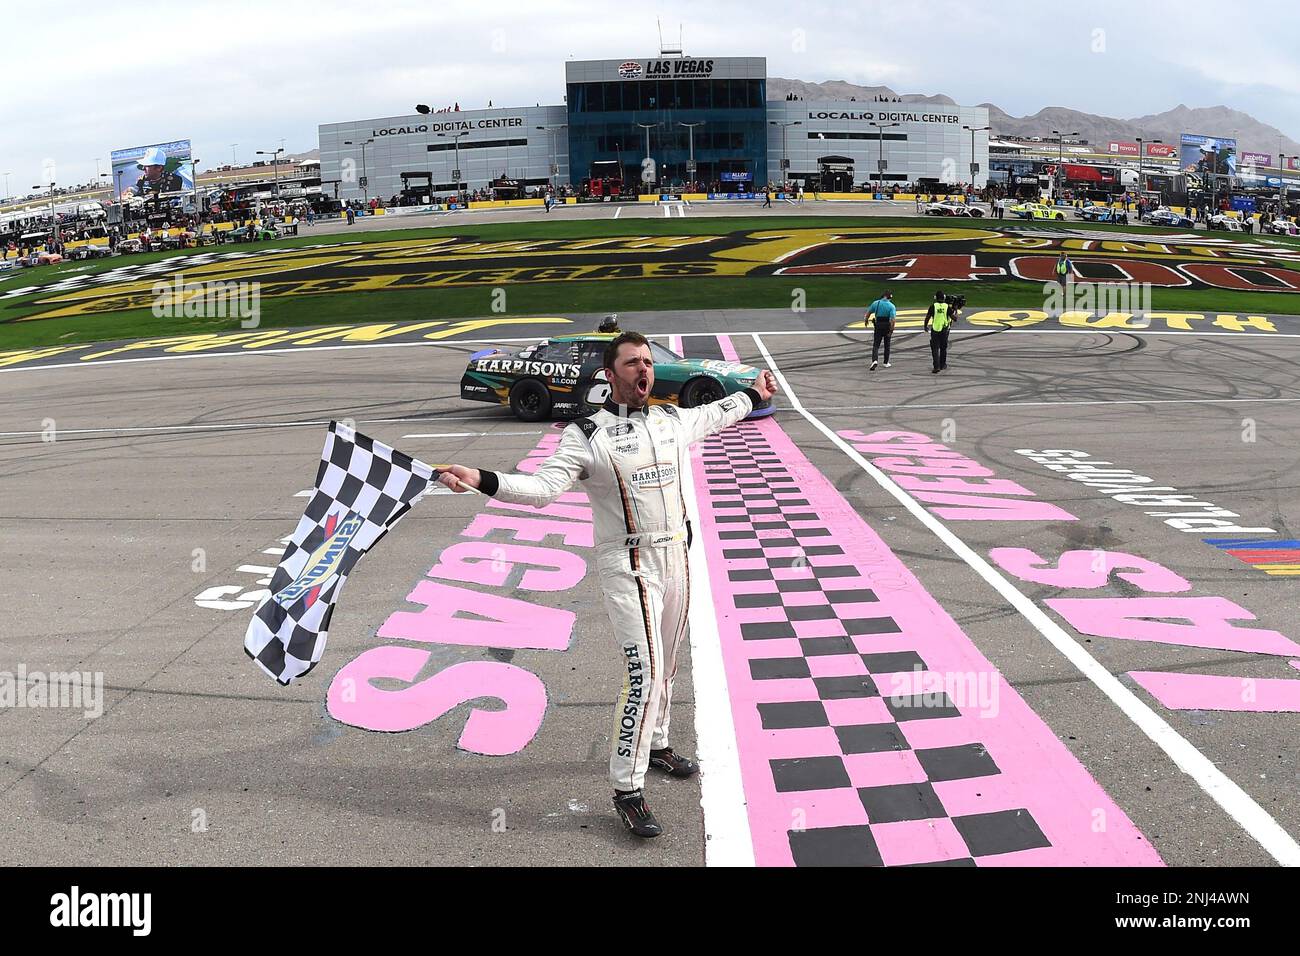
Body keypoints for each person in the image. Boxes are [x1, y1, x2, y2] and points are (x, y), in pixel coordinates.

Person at [435, 331, 780, 838]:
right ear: (610, 374)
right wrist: (482, 477)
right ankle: (627, 789)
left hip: (678, 557)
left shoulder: (670, 420)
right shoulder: (584, 434)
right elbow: (541, 490)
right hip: (630, 563)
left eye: (648, 362)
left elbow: (719, 412)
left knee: (668, 657)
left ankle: (658, 742)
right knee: (645, 668)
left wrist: (755, 393)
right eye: (633, 363)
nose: (645, 370)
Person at [924, 291, 954, 373]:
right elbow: (954, 318)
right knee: (943, 348)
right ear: (944, 298)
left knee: (935, 348)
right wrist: (955, 310)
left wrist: (925, 326)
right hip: (944, 330)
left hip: (935, 329)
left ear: (936, 298)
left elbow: (928, 317)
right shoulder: (947, 306)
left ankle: (936, 366)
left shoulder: (933, 306)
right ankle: (942, 364)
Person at [865, 290, 897, 371]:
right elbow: (893, 320)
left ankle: (875, 360)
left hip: (878, 325)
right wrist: (891, 330)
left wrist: (866, 320)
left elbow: (868, 313)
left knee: (876, 345)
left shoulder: (876, 303)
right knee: (887, 345)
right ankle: (886, 362)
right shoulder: (891, 306)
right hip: (887, 326)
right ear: (888, 297)